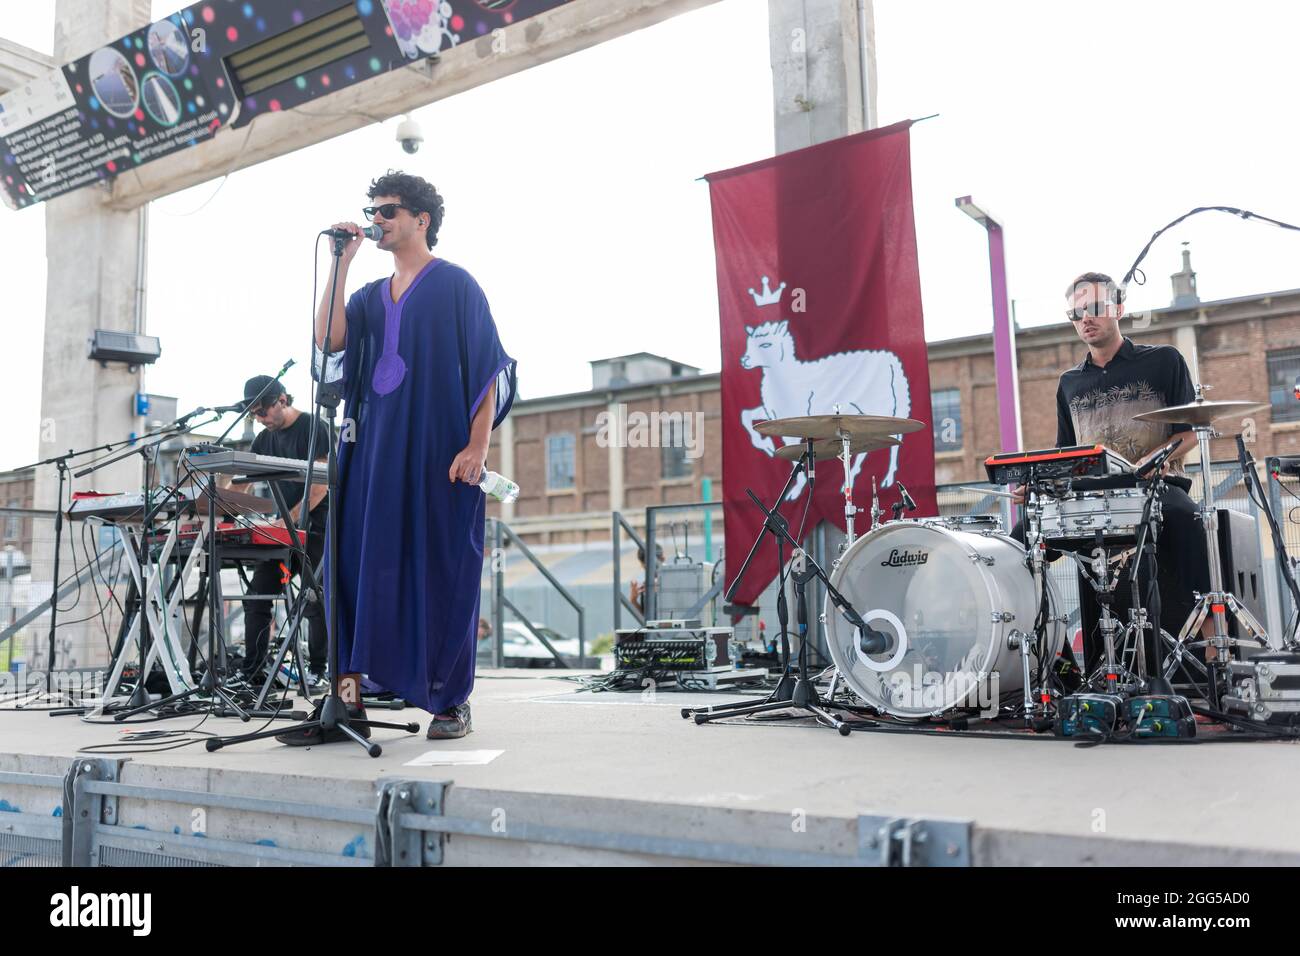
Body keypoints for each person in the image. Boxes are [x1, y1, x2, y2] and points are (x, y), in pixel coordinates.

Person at [280, 171, 516, 745]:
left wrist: (478, 445)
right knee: (353, 570)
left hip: (440, 454)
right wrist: (341, 262)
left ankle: (450, 702)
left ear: (420, 219)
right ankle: (347, 702)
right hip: (372, 453)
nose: (377, 220)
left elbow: (486, 369)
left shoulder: (456, 285)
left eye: (387, 212)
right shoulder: (365, 296)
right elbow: (330, 340)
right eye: (373, 211)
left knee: (443, 571)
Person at [1010, 272, 1210, 678]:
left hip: (1155, 487)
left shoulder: (1164, 360)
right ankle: (1057, 660)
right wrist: (1035, 481)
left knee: (1188, 518)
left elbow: (1189, 433)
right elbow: (1066, 451)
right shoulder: (1069, 383)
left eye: (1095, 309)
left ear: (1118, 309)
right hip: (1089, 498)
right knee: (1019, 546)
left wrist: (1153, 461)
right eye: (1076, 313)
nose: (1086, 319)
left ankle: (1208, 637)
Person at [225, 376, 330, 686]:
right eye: (253, 415)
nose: (260, 420)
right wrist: (218, 509)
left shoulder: (313, 427)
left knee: (314, 598)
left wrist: (289, 520)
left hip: (317, 527)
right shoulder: (263, 439)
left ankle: (319, 671)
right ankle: (252, 673)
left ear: (282, 400)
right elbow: (240, 482)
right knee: (256, 596)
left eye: (263, 412)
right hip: (282, 531)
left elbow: (320, 486)